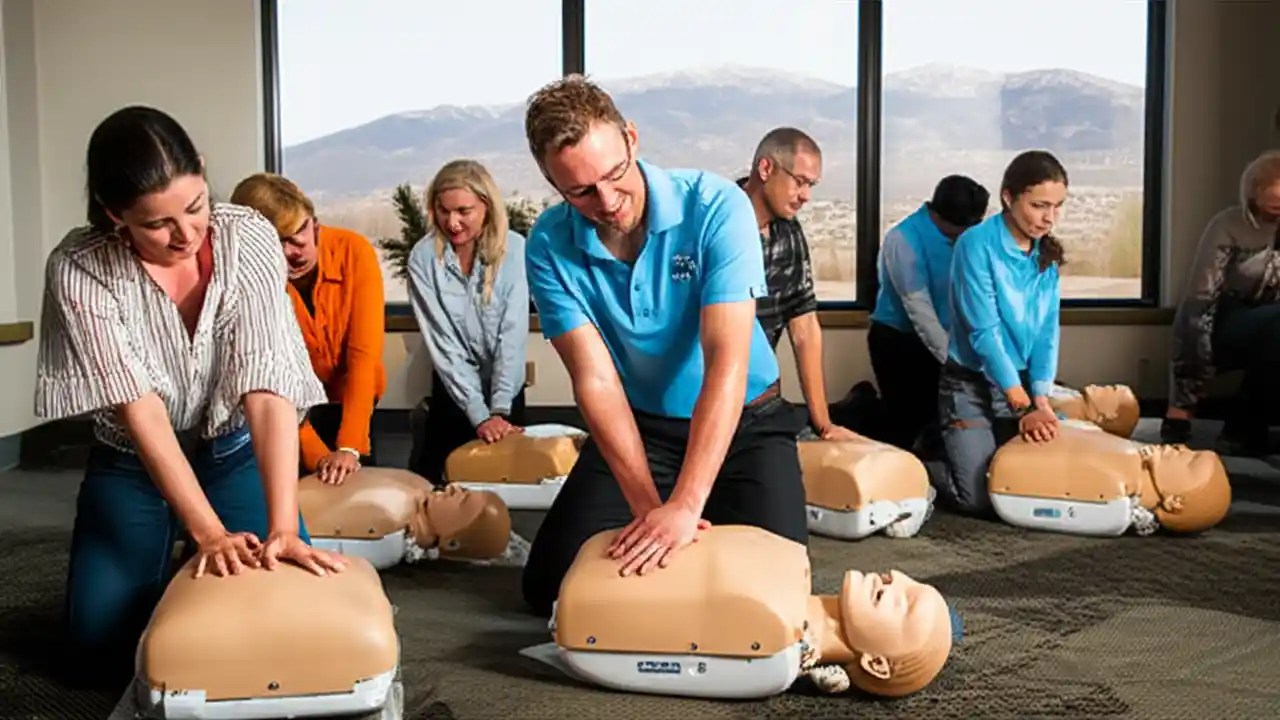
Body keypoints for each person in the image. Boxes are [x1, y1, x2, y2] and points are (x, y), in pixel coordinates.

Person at [33, 106, 345, 682]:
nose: (185, 235)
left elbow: (265, 382)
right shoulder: (78, 267)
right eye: (157, 224)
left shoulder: (247, 235)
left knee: (292, 609)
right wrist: (208, 534)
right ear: (113, 214)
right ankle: (173, 551)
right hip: (133, 463)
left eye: (195, 207)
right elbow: (140, 410)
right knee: (98, 647)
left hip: (232, 449)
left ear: (203, 172)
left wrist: (281, 526)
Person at [518, 75, 808, 617]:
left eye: (614, 175)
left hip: (747, 422)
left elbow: (726, 360)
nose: (606, 202)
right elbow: (596, 381)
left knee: (775, 597)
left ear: (631, 138)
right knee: (548, 587)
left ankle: (710, 503)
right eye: (580, 191)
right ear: (553, 184)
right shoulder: (548, 244)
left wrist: (687, 504)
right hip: (646, 428)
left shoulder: (717, 205)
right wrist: (652, 513)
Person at [931, 150, 1068, 517]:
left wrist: (1040, 399)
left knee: (1026, 484)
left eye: (1057, 207)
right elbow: (984, 334)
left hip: (1020, 385)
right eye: (1039, 205)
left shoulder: (1045, 254)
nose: (1049, 218)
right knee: (977, 497)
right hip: (971, 385)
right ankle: (921, 459)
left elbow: (1046, 333)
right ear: (1008, 197)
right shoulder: (975, 245)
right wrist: (1022, 406)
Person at [229, 173, 387, 485]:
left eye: (300, 231)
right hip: (284, 408)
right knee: (300, 498)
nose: (295, 250)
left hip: (354, 399)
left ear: (314, 223)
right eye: (278, 240)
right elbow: (270, 379)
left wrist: (349, 448)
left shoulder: (354, 251)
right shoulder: (247, 281)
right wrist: (317, 456)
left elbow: (363, 356)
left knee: (360, 494)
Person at [407, 159, 529, 484]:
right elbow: (444, 344)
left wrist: (500, 410)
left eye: (464, 211)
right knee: (438, 486)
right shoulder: (423, 258)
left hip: (506, 387)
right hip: (453, 388)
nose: (453, 222)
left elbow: (512, 335)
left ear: (486, 206)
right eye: (444, 211)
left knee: (504, 481)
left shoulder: (515, 250)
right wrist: (479, 414)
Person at [738, 127, 855, 441]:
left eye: (811, 185)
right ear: (766, 169)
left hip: (758, 402)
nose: (806, 196)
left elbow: (804, 329)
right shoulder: (714, 221)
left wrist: (824, 425)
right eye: (800, 182)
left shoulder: (789, 234)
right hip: (697, 401)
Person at [1165, 150, 1280, 455]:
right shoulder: (1228, 225)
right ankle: (1241, 428)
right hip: (1226, 318)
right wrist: (1182, 403)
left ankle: (1244, 429)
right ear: (1253, 194)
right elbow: (1199, 301)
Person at [868, 175, 990, 451]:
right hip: (900, 343)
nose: (964, 235)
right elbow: (919, 312)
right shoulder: (903, 240)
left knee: (947, 425)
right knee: (908, 427)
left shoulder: (966, 235)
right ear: (938, 215)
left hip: (947, 341)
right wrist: (954, 360)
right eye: (959, 229)